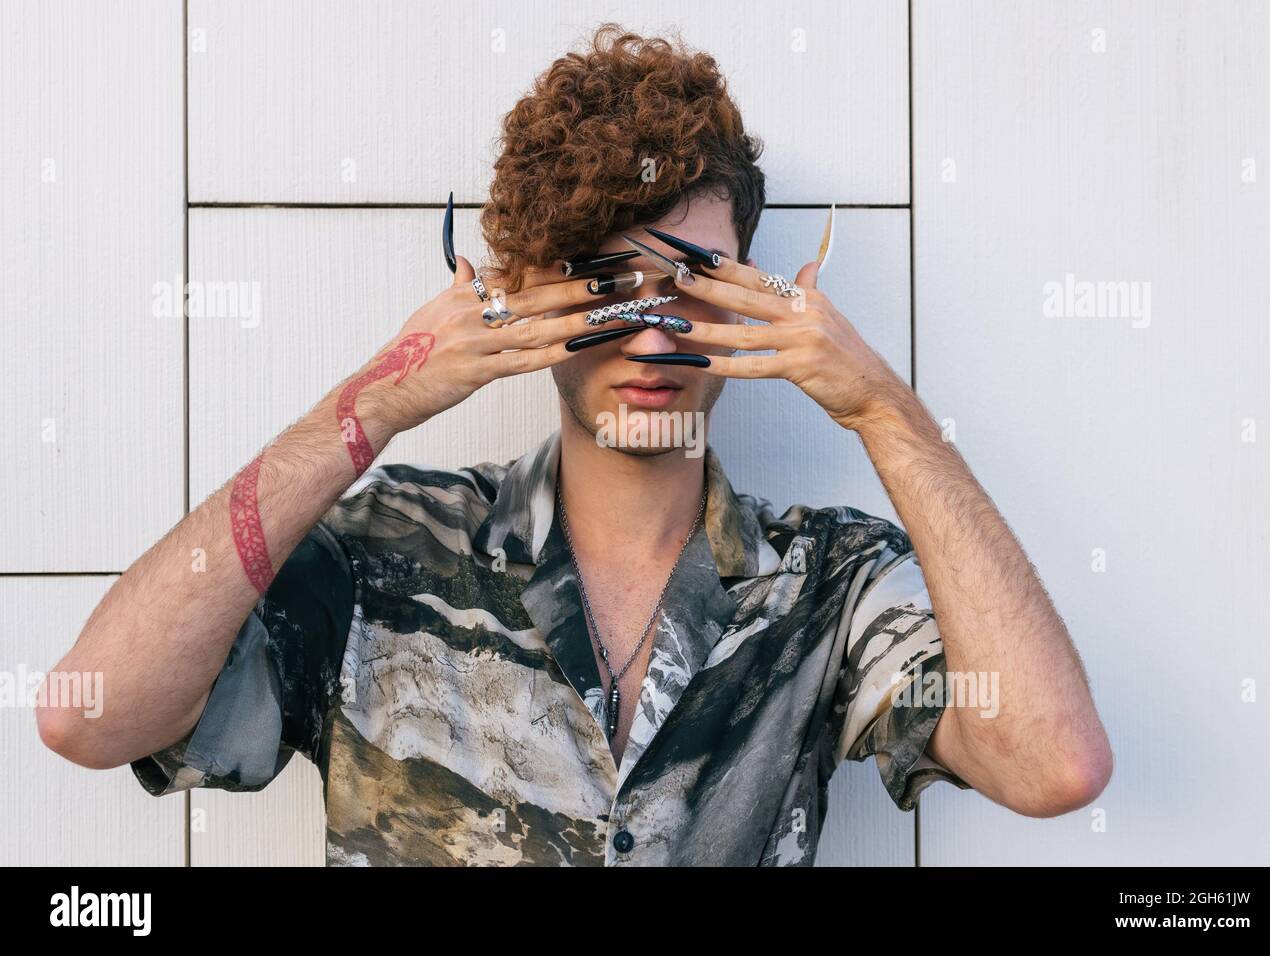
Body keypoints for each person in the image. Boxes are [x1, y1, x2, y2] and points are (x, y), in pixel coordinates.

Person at [36, 23, 1111, 866]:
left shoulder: (824, 585)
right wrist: (367, 405)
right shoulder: (383, 553)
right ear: (522, 293)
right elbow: (88, 713)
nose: (652, 334)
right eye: (602, 284)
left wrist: (888, 414)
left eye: (694, 282)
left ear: (756, 299)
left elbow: (1054, 761)